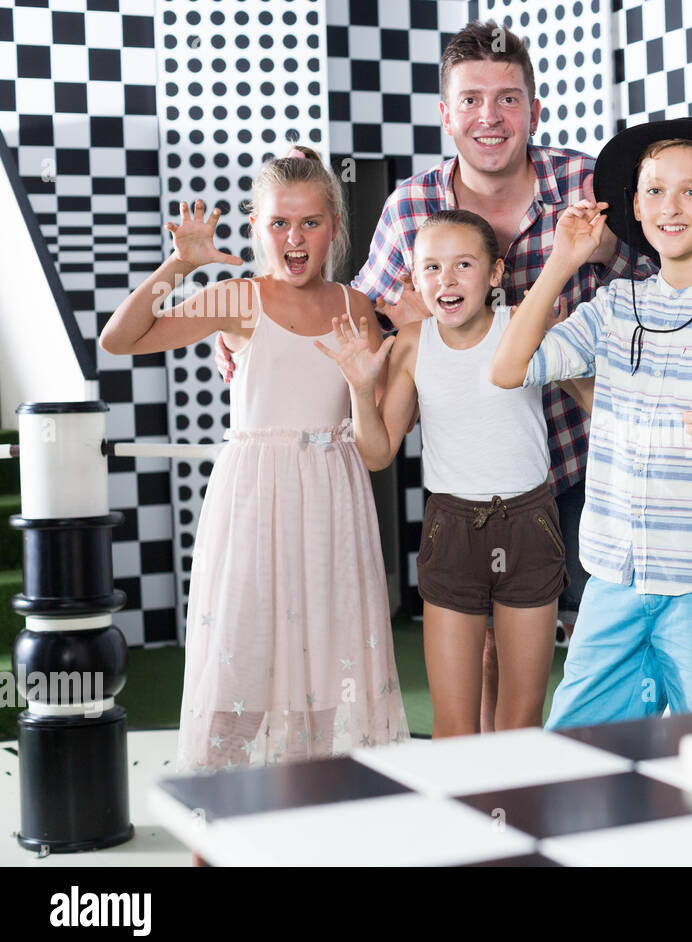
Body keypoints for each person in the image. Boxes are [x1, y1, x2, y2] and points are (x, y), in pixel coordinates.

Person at [216, 21, 651, 730]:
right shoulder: (409, 209)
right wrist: (250, 340)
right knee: (479, 654)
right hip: (467, 475)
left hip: (586, 453)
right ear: (445, 113)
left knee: (598, 649)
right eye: (471, 99)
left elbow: (664, 283)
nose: (490, 117)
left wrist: (610, 247)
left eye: (508, 99)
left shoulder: (586, 186)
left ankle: (578, 794)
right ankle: (487, 807)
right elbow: (350, 321)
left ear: (534, 110)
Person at [99, 151, 409, 772]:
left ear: (335, 225)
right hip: (254, 500)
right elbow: (120, 339)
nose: (294, 238)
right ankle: (214, 831)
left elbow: (375, 431)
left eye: (311, 223)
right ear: (254, 227)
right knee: (239, 663)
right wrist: (179, 265)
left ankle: (310, 822)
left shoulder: (356, 311)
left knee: (327, 660)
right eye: (278, 223)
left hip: (333, 500)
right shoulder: (239, 299)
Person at [491, 118, 692, 728]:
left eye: (691, 192)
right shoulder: (612, 306)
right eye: (656, 191)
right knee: (576, 749)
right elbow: (510, 370)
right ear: (634, 206)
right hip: (613, 578)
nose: (671, 206)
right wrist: (561, 263)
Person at [318, 210, 566, 736]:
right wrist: (362, 388)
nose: (446, 280)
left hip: (530, 525)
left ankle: (512, 813)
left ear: (495, 274)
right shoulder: (411, 343)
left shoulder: (524, 324)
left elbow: (590, 390)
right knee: (454, 723)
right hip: (451, 530)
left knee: (521, 719)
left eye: (462, 265)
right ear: (413, 273)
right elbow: (378, 452)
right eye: (430, 267)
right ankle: (466, 815)